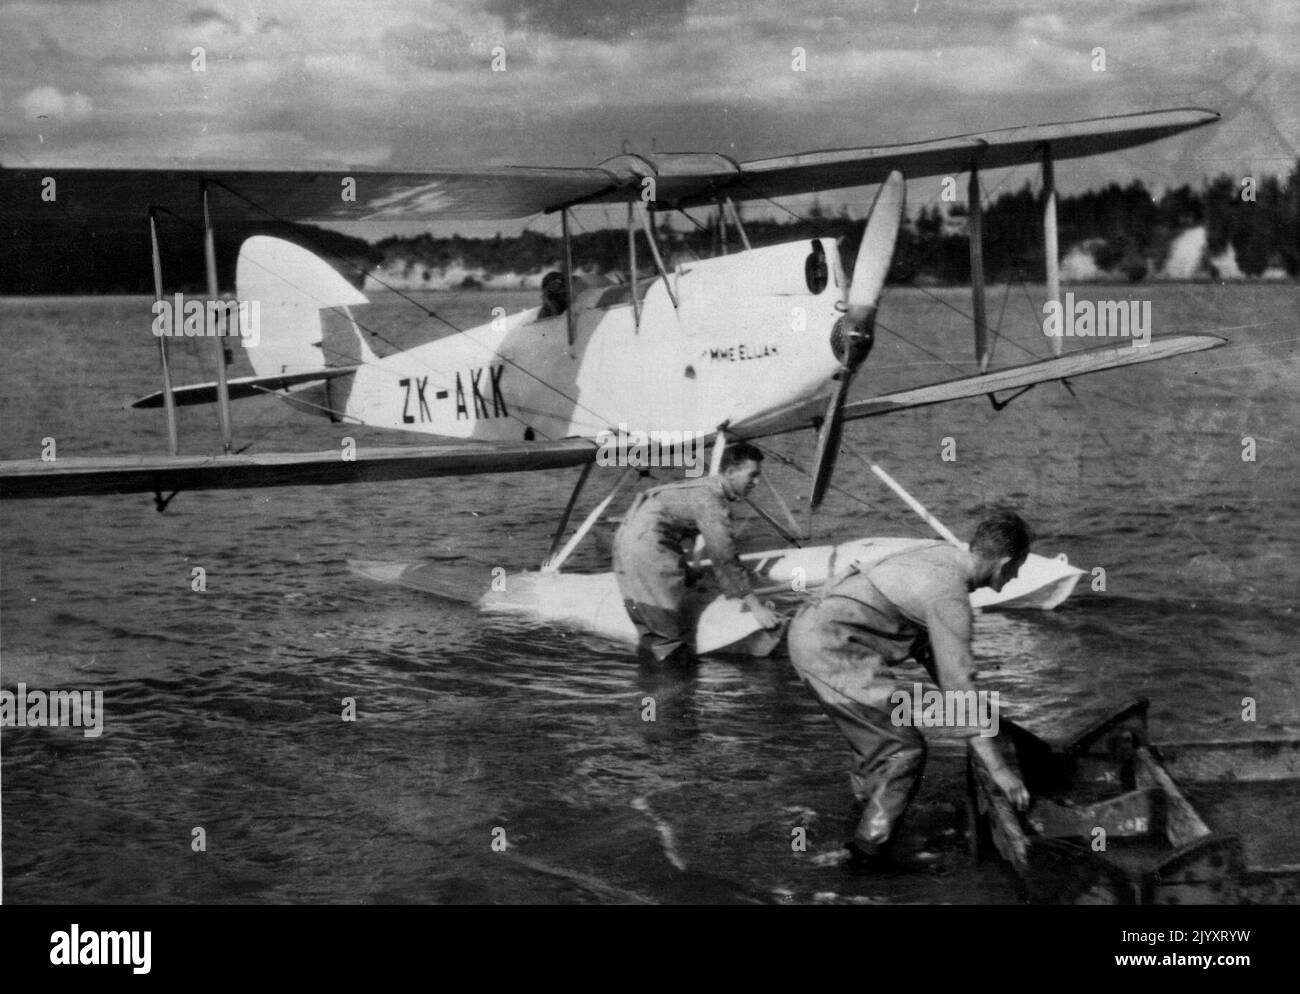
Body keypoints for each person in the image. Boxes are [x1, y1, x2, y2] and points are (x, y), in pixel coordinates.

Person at [787, 509, 1034, 866]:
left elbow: (935, 658)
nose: (1015, 577)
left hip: (813, 631)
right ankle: (866, 855)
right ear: (1005, 563)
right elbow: (957, 685)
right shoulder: (948, 595)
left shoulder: (937, 556)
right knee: (903, 749)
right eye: (1017, 569)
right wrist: (998, 769)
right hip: (831, 648)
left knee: (876, 737)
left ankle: (861, 813)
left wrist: (982, 722)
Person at [613, 442, 782, 663]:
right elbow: (723, 555)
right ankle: (671, 687)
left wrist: (689, 574)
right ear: (730, 472)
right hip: (647, 551)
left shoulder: (701, 487)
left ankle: (651, 685)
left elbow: (669, 527)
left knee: (652, 632)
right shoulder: (711, 500)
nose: (757, 482)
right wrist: (755, 605)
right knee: (671, 641)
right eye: (753, 475)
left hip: (626, 545)